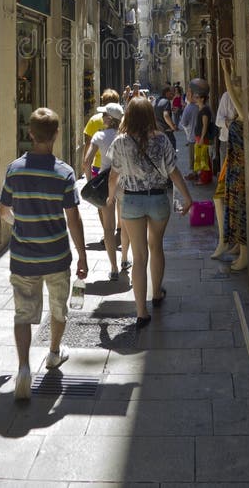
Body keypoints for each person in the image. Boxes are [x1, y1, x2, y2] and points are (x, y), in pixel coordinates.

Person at [0, 107, 88, 400]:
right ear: (56, 135)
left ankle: (24, 367)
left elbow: (3, 211)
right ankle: (52, 353)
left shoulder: (15, 170)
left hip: (24, 258)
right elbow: (73, 218)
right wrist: (83, 256)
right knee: (58, 308)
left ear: (29, 134)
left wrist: (20, 225)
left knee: (23, 314)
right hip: (57, 256)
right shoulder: (64, 173)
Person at [107, 97, 193, 328]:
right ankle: (156, 294)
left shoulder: (120, 142)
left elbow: (114, 174)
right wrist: (187, 196)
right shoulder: (162, 140)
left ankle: (141, 312)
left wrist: (110, 195)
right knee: (156, 246)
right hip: (157, 199)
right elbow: (174, 172)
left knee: (139, 255)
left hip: (132, 202)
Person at [83, 102, 130, 278]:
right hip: (124, 182)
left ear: (110, 119)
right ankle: (124, 258)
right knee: (124, 225)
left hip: (105, 183)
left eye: (104, 115)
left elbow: (87, 162)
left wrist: (90, 182)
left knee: (108, 229)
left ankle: (113, 268)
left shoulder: (99, 136)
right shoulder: (125, 136)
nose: (101, 117)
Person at [83, 88, 122, 245]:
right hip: (121, 174)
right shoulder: (124, 127)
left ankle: (108, 233)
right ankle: (120, 232)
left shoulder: (94, 121)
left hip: (100, 170)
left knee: (103, 203)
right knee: (120, 203)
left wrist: (88, 179)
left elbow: (87, 145)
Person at [221, 56, 247, 271]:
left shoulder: (243, 113)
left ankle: (245, 254)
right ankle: (238, 248)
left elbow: (230, 90)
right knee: (235, 209)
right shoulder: (240, 113)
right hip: (235, 167)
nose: (234, 87)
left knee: (240, 210)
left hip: (241, 171)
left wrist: (226, 72)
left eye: (239, 84)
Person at [191, 78, 213, 181]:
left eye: (197, 97)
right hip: (199, 136)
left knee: (204, 158)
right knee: (202, 157)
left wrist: (202, 138)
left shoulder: (204, 110)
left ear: (202, 99)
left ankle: (205, 179)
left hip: (202, 137)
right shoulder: (201, 108)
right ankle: (204, 177)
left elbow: (205, 125)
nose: (195, 98)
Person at [179, 85, 199, 179]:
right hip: (202, 136)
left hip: (192, 136)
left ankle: (195, 173)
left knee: (193, 156)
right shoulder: (201, 106)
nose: (187, 95)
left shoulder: (189, 107)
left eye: (189, 94)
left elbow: (183, 122)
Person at [215, 88, 237, 170]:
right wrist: (230, 123)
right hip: (226, 140)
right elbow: (218, 121)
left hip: (240, 143)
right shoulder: (227, 96)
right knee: (225, 172)